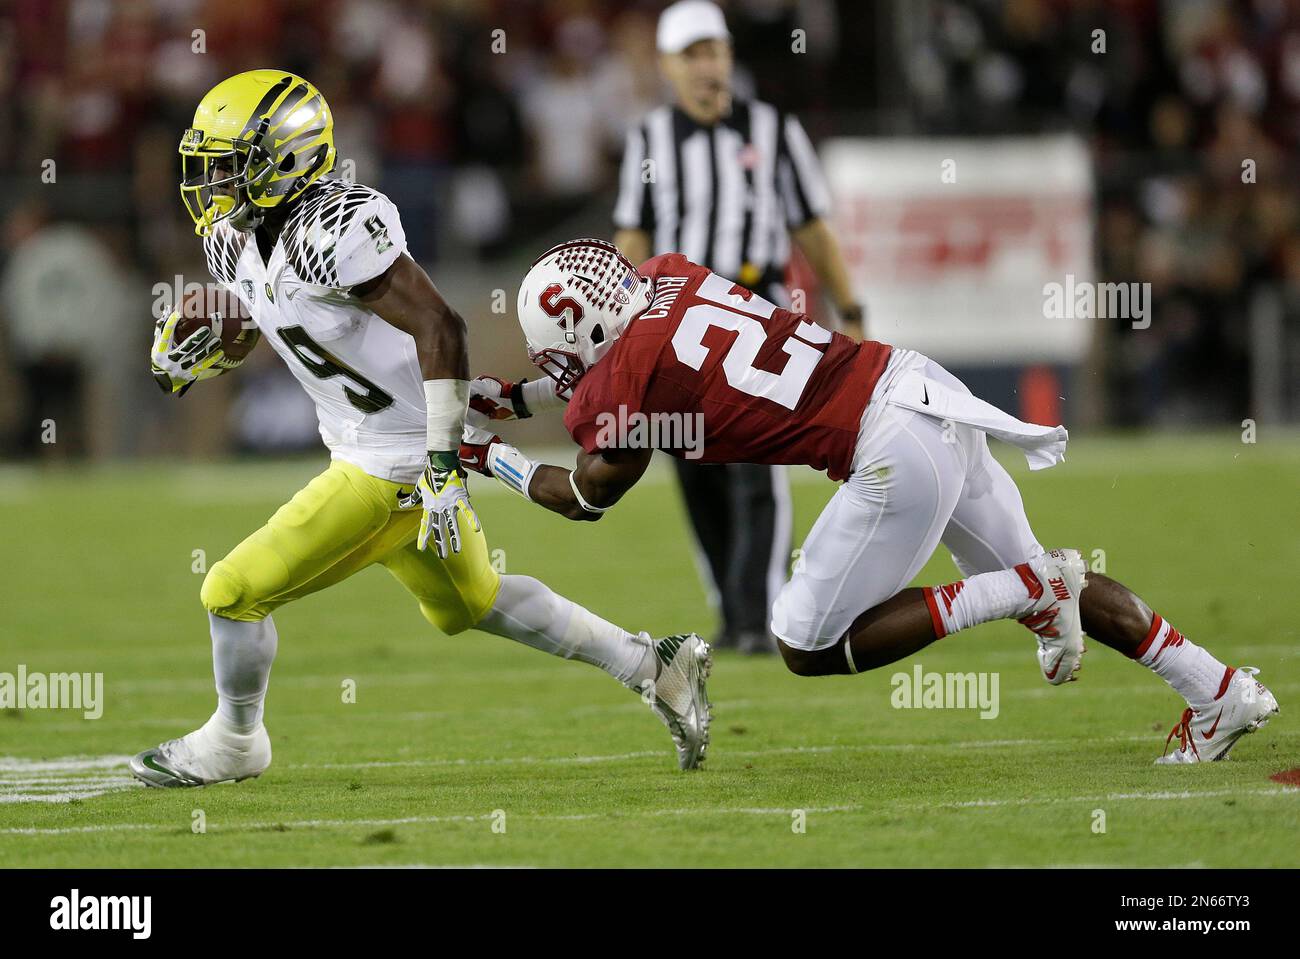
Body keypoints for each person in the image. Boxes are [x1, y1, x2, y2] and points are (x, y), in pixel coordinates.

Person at [460, 239, 1279, 764]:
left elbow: (587, 494)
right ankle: (1217, 689)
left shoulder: (628, 367)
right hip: (922, 389)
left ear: (591, 331)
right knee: (1039, 568)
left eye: (561, 353)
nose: (560, 368)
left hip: (892, 449)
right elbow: (625, 368)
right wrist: (523, 398)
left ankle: (1028, 591)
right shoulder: (669, 276)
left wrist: (487, 455)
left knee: (804, 641)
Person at [131, 73, 711, 788]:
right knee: (473, 603)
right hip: (383, 449)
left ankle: (235, 741)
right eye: (208, 164)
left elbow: (442, 325)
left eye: (227, 163)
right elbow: (279, 313)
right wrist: (212, 341)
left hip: (390, 467)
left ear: (283, 157)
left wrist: (440, 464)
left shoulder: (334, 225)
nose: (212, 181)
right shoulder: (236, 239)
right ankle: (656, 664)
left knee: (230, 590)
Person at [611, 0, 864, 654]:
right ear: (667, 67)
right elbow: (633, 233)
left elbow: (812, 226)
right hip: (676, 320)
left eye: (714, 51)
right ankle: (734, 611)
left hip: (756, 314)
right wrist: (624, 325)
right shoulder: (649, 139)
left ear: (729, 56)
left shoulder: (774, 129)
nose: (706, 66)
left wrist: (851, 308)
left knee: (755, 463)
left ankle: (760, 616)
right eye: (691, 55)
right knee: (693, 463)